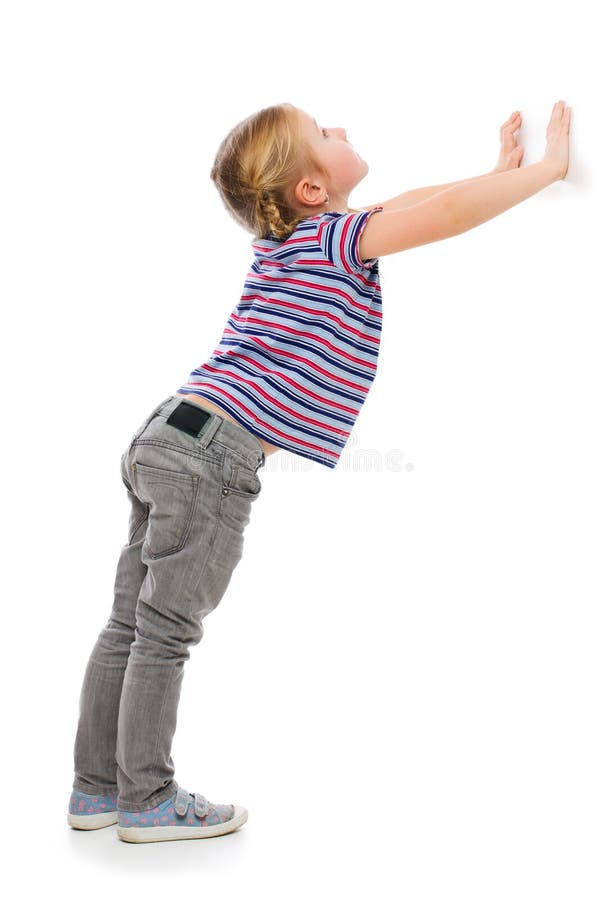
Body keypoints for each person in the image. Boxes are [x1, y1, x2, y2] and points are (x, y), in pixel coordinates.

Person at [68, 100, 571, 843]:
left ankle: (96, 792)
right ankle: (148, 801)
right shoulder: (338, 239)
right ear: (309, 188)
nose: (340, 130)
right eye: (324, 135)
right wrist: (548, 171)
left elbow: (413, 205)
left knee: (130, 623)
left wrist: (502, 170)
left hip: (165, 432)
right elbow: (448, 215)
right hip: (212, 455)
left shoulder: (295, 241)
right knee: (166, 631)